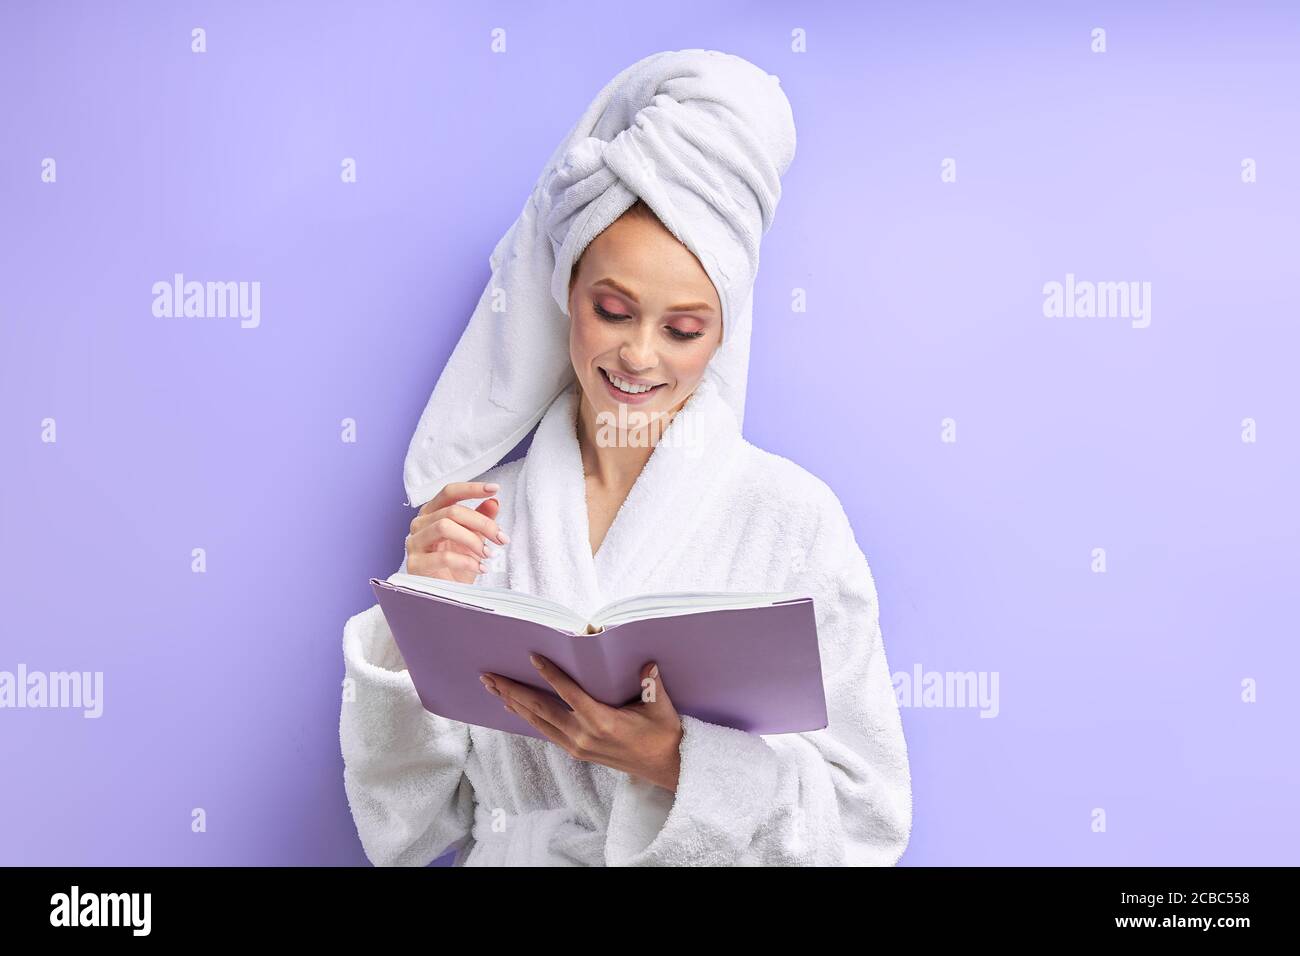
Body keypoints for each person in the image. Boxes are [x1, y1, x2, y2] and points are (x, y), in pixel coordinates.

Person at [339, 49, 912, 866]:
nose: (639, 356)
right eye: (612, 310)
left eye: (684, 329)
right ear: (566, 292)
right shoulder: (483, 519)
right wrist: (414, 618)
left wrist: (676, 765)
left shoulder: (791, 521)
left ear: (724, 332)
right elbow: (407, 824)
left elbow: (866, 824)